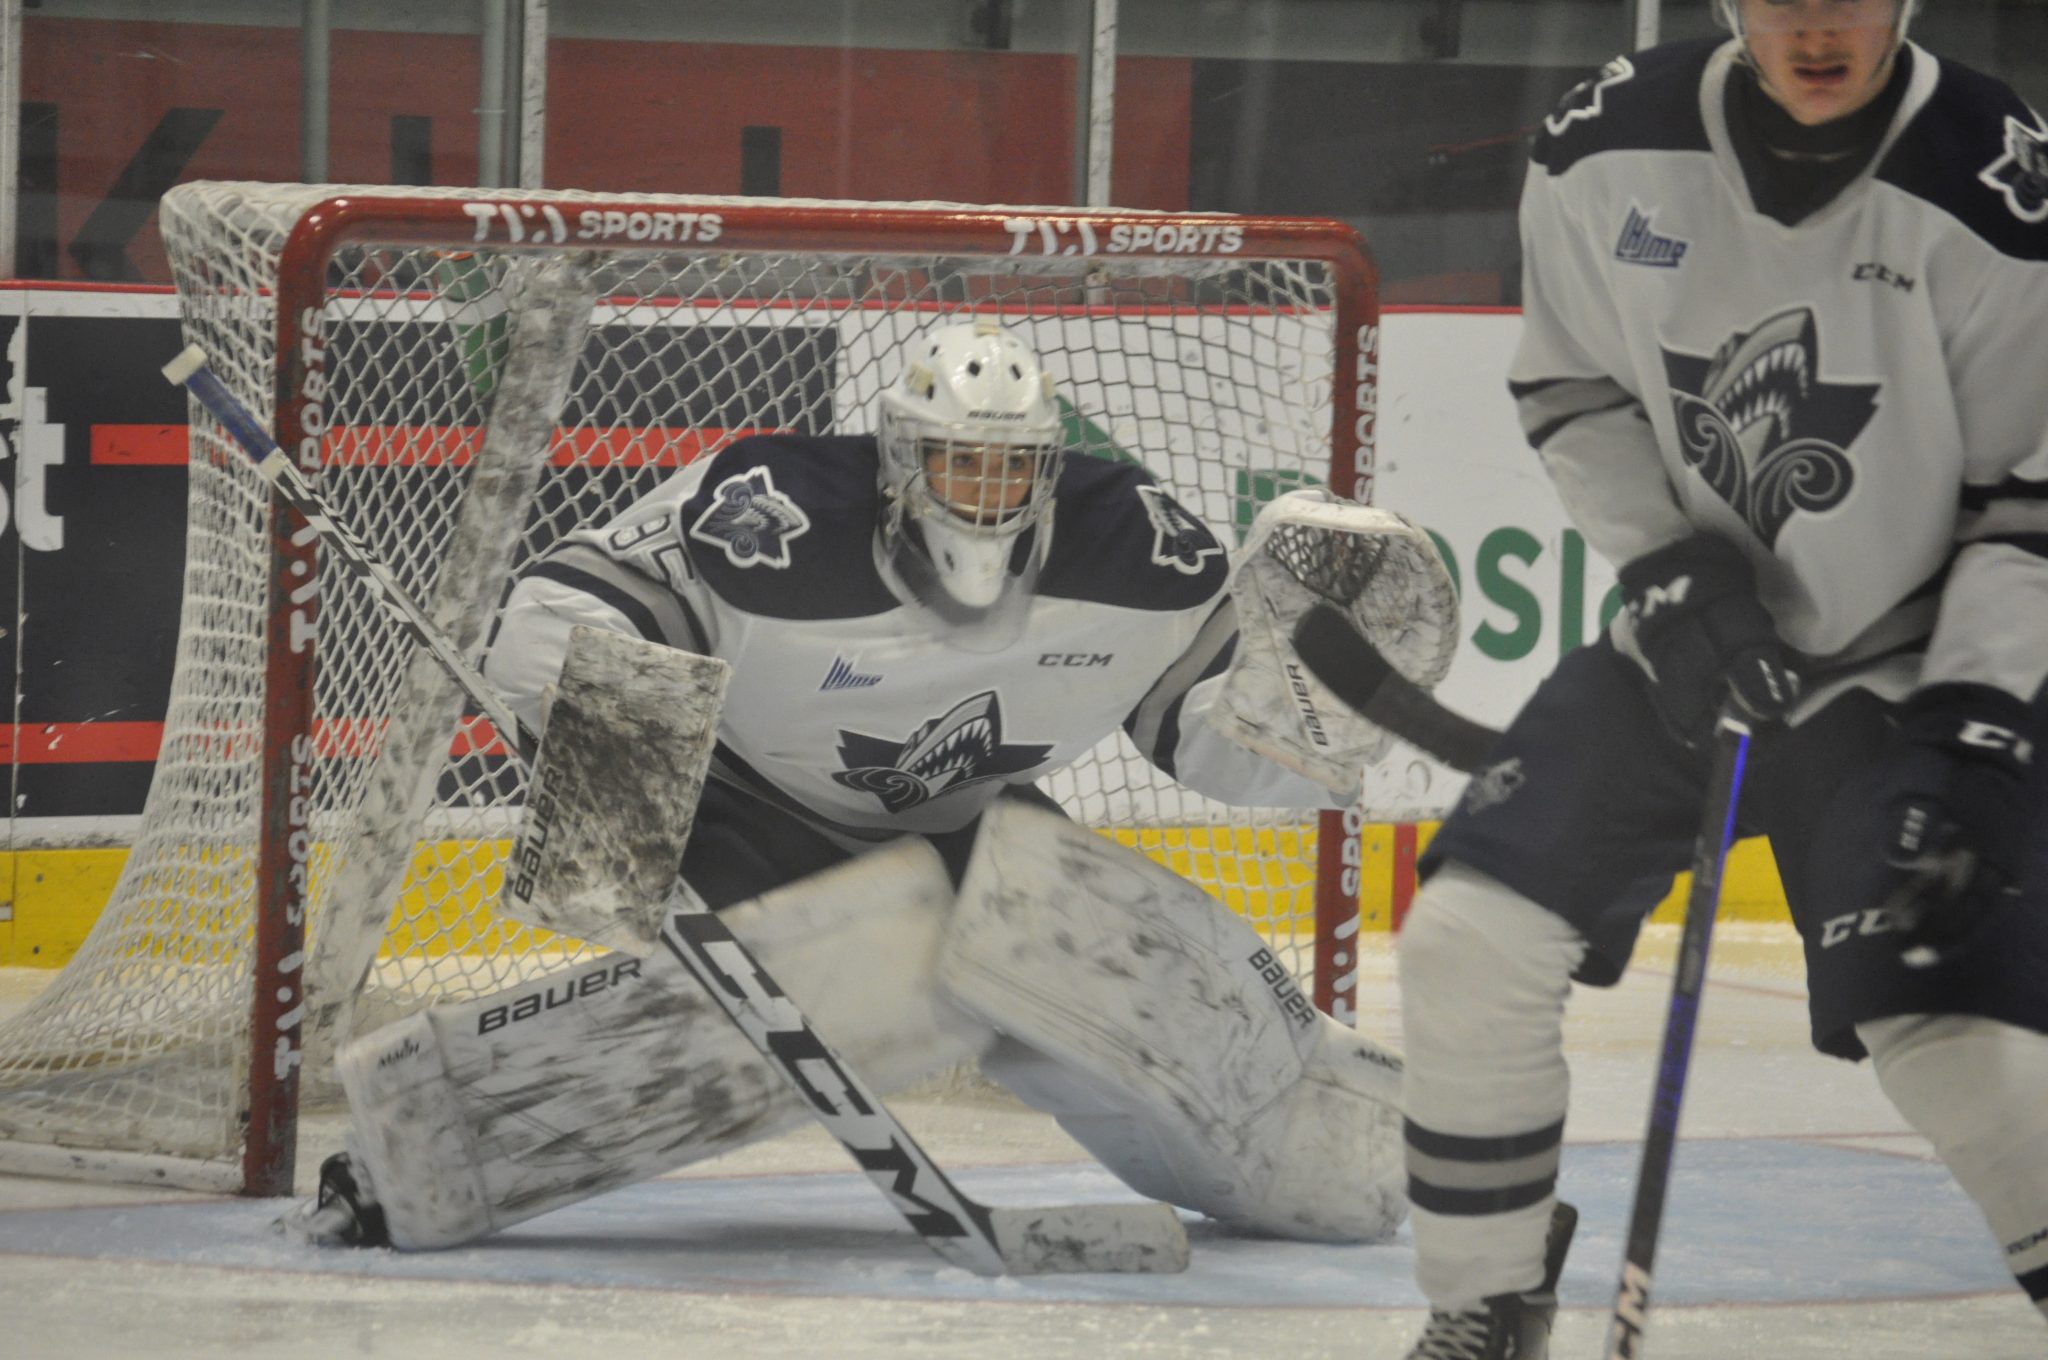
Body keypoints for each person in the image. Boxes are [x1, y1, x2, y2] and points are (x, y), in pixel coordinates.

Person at [289, 317, 1418, 1255]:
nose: (985, 492)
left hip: (965, 825)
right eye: (956, 462)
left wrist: (1307, 730)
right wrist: (609, 765)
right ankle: (414, 1152)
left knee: (1096, 937)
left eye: (1011, 465)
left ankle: (1320, 1141)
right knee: (880, 969)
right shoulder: (767, 511)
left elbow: (1206, 747)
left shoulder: (1136, 545)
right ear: (894, 457)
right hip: (741, 804)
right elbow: (556, 606)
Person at [1360, 0, 2048, 1354]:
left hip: (1910, 665)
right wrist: (1670, 579)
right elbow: (1571, 390)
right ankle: (1487, 1297)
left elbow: (2032, 506)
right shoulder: (1604, 145)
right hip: (1691, 649)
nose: (1816, 23)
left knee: (1946, 1036)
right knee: (1466, 940)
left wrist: (1970, 736)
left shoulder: (1996, 185)